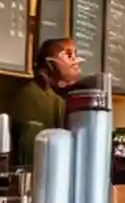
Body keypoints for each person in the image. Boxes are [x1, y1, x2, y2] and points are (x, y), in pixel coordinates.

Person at [11, 37, 82, 165]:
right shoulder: (32, 95)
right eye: (68, 54)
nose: (74, 60)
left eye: (75, 55)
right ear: (50, 63)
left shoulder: (54, 97)